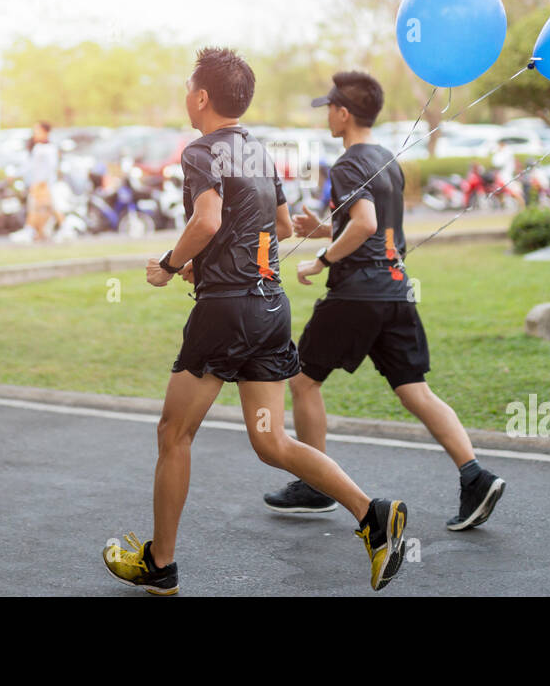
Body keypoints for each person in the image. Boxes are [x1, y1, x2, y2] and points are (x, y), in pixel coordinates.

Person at [102, 48, 408, 595]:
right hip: (269, 309)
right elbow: (281, 227)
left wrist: (170, 265)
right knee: (271, 442)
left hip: (226, 313)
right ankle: (373, 514)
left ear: (201, 97)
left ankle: (161, 565)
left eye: (187, 89)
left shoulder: (201, 151)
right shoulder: (260, 152)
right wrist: (208, 262)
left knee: (173, 433)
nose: (186, 98)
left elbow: (207, 219)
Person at [263, 71, 506, 531]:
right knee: (415, 389)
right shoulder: (388, 160)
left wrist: (321, 259)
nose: (327, 115)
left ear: (344, 113)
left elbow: (366, 225)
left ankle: (316, 486)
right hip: (395, 289)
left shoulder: (348, 163)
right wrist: (325, 230)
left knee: (303, 380)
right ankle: (475, 476)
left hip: (357, 294)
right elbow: (381, 231)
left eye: (330, 108)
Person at [24, 121, 63, 241]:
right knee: (41, 208)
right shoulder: (37, 147)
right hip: (39, 183)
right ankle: (38, 232)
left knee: (44, 207)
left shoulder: (49, 148)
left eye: (38, 131)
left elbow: (51, 167)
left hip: (44, 184)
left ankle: (31, 231)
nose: (35, 133)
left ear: (46, 132)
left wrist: (42, 183)